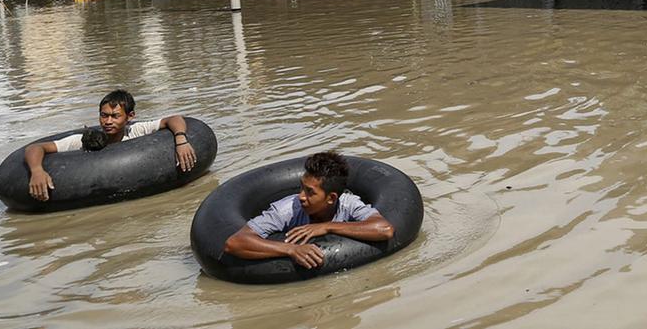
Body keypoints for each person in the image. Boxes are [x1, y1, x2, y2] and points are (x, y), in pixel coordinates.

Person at [222, 152, 395, 269]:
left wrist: (327, 227)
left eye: (310, 192)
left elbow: (385, 230)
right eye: (302, 187)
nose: (301, 196)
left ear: (331, 198)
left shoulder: (348, 204)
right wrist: (291, 249)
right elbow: (234, 243)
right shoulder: (287, 209)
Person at [23, 89, 197, 201]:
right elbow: (35, 148)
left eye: (115, 116)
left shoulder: (135, 131)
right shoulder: (85, 140)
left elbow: (174, 119)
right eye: (104, 115)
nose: (107, 121)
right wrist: (37, 170)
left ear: (130, 116)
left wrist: (181, 139)